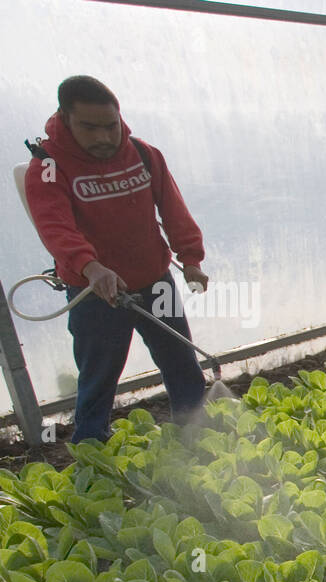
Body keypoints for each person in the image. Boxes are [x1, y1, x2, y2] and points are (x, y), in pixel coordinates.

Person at [24, 75, 210, 444]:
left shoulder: (142, 154)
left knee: (181, 360)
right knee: (99, 375)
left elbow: (173, 209)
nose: (104, 138)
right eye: (89, 128)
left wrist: (190, 258)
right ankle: (91, 449)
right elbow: (55, 227)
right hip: (95, 293)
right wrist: (91, 267)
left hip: (155, 280)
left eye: (110, 126)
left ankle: (196, 435)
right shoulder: (48, 167)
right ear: (66, 118)